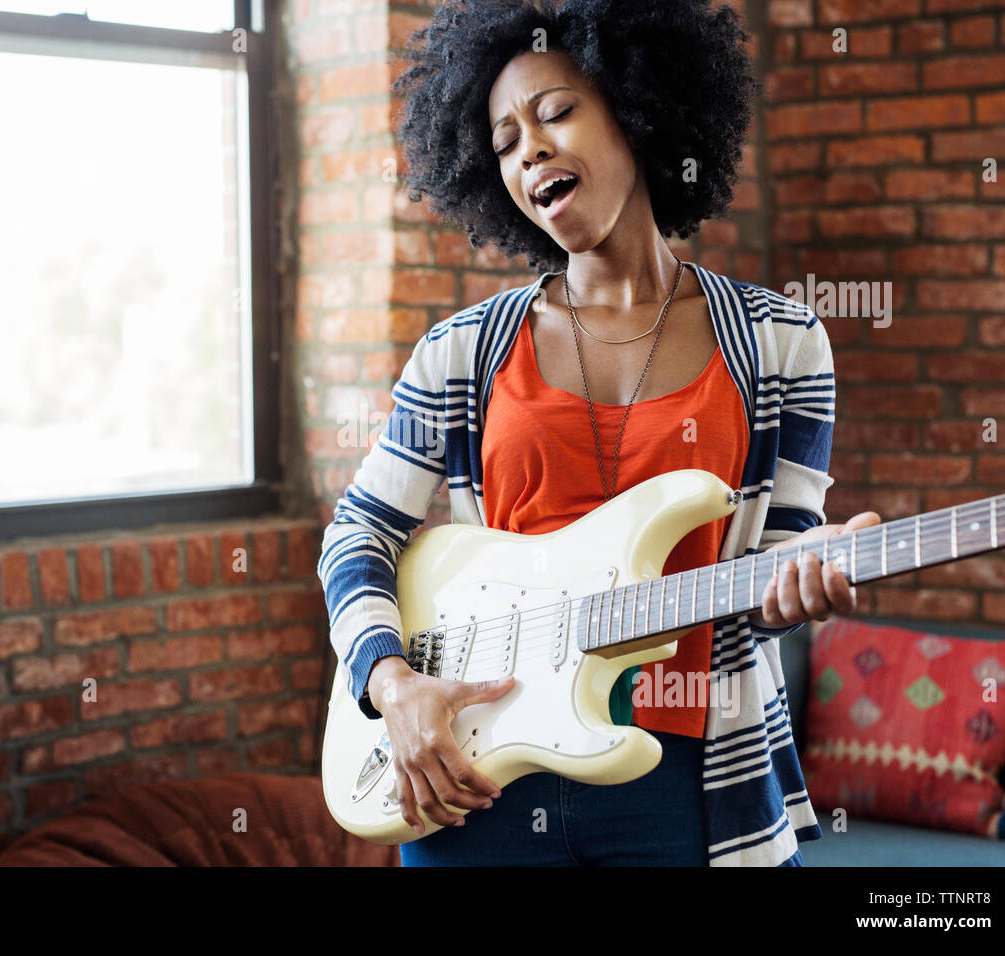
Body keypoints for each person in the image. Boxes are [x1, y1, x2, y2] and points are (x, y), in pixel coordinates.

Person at [316, 0, 880, 867]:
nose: (529, 150)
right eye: (504, 142)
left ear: (638, 106)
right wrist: (390, 685)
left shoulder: (783, 342)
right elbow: (357, 533)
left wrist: (799, 585)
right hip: (478, 775)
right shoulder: (460, 352)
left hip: (692, 781)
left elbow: (772, 578)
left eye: (555, 112)